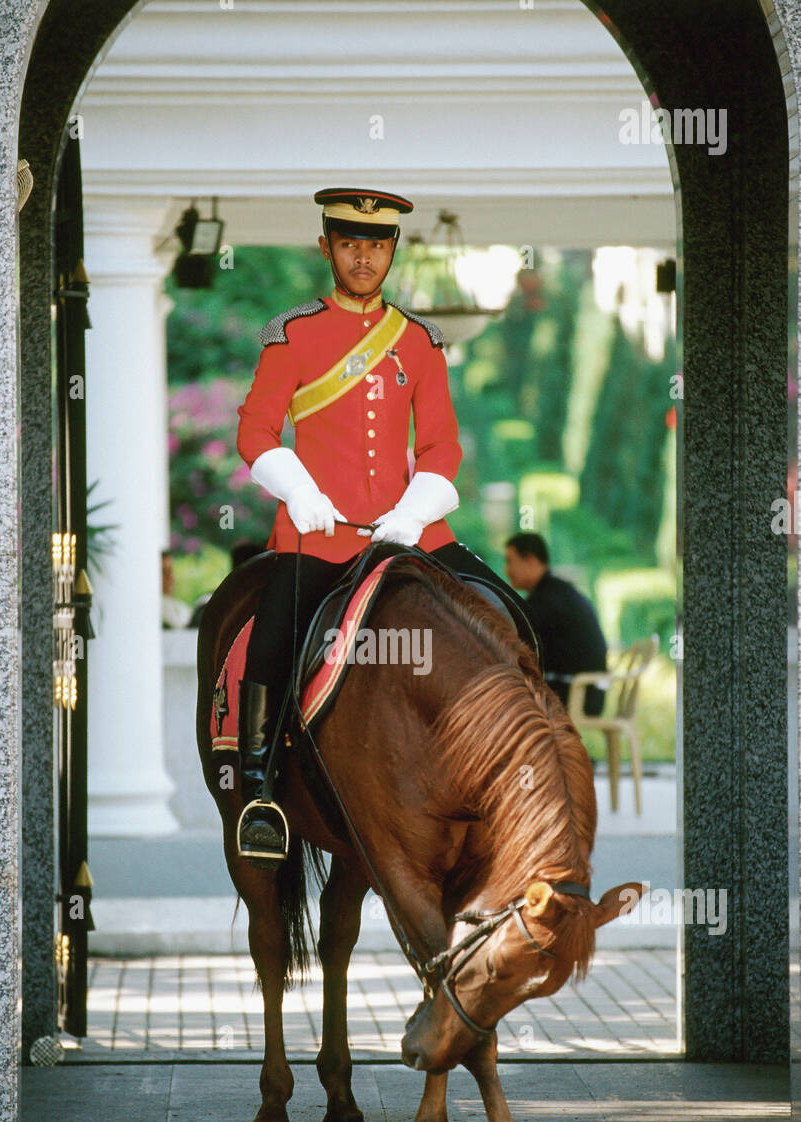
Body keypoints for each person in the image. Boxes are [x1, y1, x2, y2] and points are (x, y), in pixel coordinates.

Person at [234, 185, 527, 863]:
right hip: (317, 533)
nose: (362, 257)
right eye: (348, 243)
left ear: (392, 249)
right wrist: (298, 492)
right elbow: (254, 428)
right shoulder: (293, 335)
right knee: (271, 636)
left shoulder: (419, 341)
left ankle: (529, 757)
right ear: (325, 247)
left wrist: (413, 512)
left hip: (409, 532)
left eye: (375, 244)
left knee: (501, 610)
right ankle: (259, 790)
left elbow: (443, 446)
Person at [504, 532, 608, 717]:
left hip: (579, 695)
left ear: (530, 560)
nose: (507, 570)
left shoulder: (548, 599)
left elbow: (511, 637)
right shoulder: (555, 592)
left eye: (510, 561)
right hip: (586, 691)